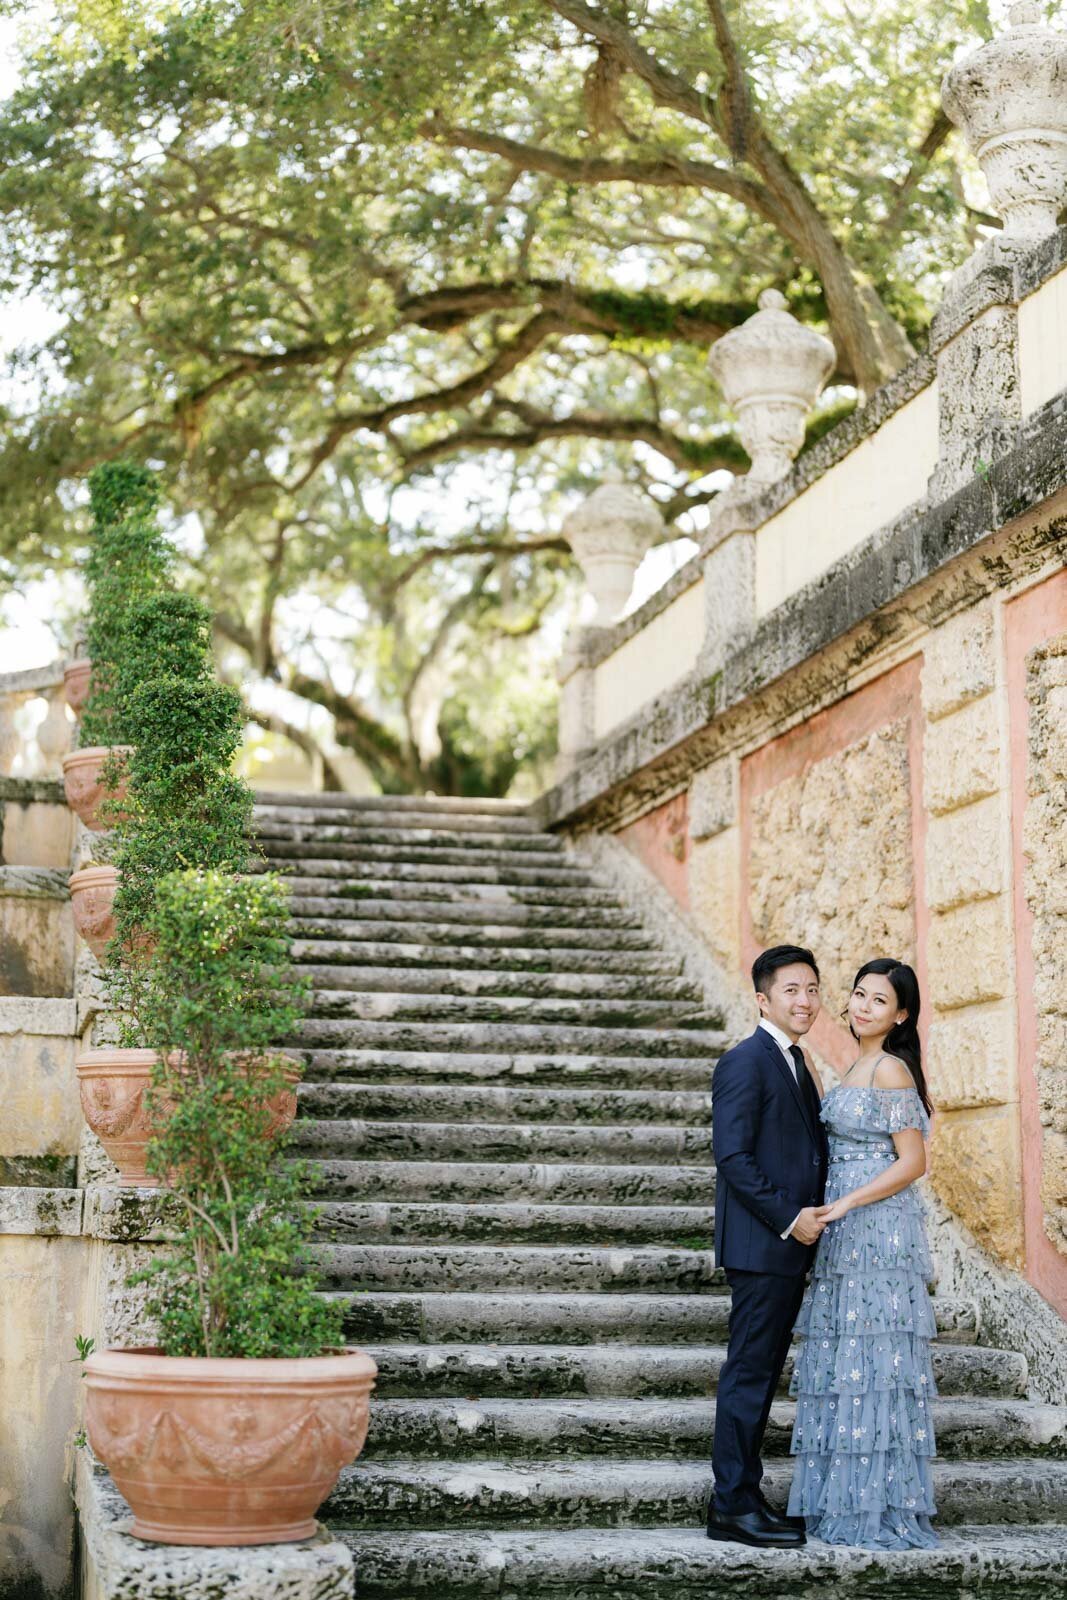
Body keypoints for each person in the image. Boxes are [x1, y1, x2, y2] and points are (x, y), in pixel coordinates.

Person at [788, 957, 938, 1549]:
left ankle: (873, 1506)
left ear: (900, 1014)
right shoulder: (857, 1065)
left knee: (873, 1364)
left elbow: (913, 1161)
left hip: (876, 1229)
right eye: (857, 995)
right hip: (845, 1228)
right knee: (844, 1360)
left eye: (878, 1001)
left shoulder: (892, 1071)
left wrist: (849, 1203)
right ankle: (842, 1499)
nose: (860, 1007)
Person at [707, 944, 830, 1550]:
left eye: (812, 989)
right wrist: (790, 1219)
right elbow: (732, 1156)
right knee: (750, 1377)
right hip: (762, 1247)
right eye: (791, 990)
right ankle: (730, 1505)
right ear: (762, 998)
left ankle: (746, 1497)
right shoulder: (745, 1061)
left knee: (759, 1376)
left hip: (786, 1249)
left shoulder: (795, 1060)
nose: (805, 1001)